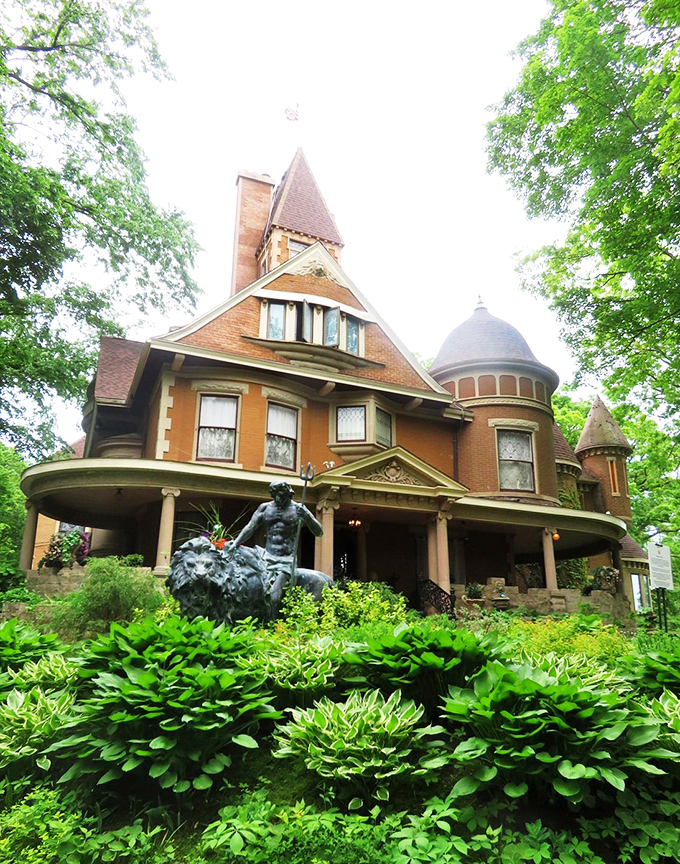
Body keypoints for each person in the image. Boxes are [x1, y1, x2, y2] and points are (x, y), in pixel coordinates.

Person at [226, 481, 325, 618]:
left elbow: (319, 532)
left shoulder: (298, 509)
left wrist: (307, 517)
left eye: (281, 495)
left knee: (274, 598)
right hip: (265, 556)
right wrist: (235, 543)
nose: (278, 499)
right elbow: (250, 527)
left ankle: (273, 626)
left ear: (288, 493)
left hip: (286, 560)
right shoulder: (265, 508)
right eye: (275, 495)